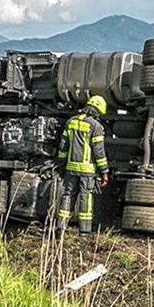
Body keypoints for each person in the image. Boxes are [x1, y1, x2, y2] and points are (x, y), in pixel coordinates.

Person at [57, 95, 110, 234]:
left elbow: (63, 147)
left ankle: (60, 227)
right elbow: (99, 151)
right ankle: (84, 231)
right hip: (87, 170)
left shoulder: (71, 122)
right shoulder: (96, 126)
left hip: (71, 168)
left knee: (68, 195)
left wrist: (61, 165)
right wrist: (104, 171)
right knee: (85, 198)